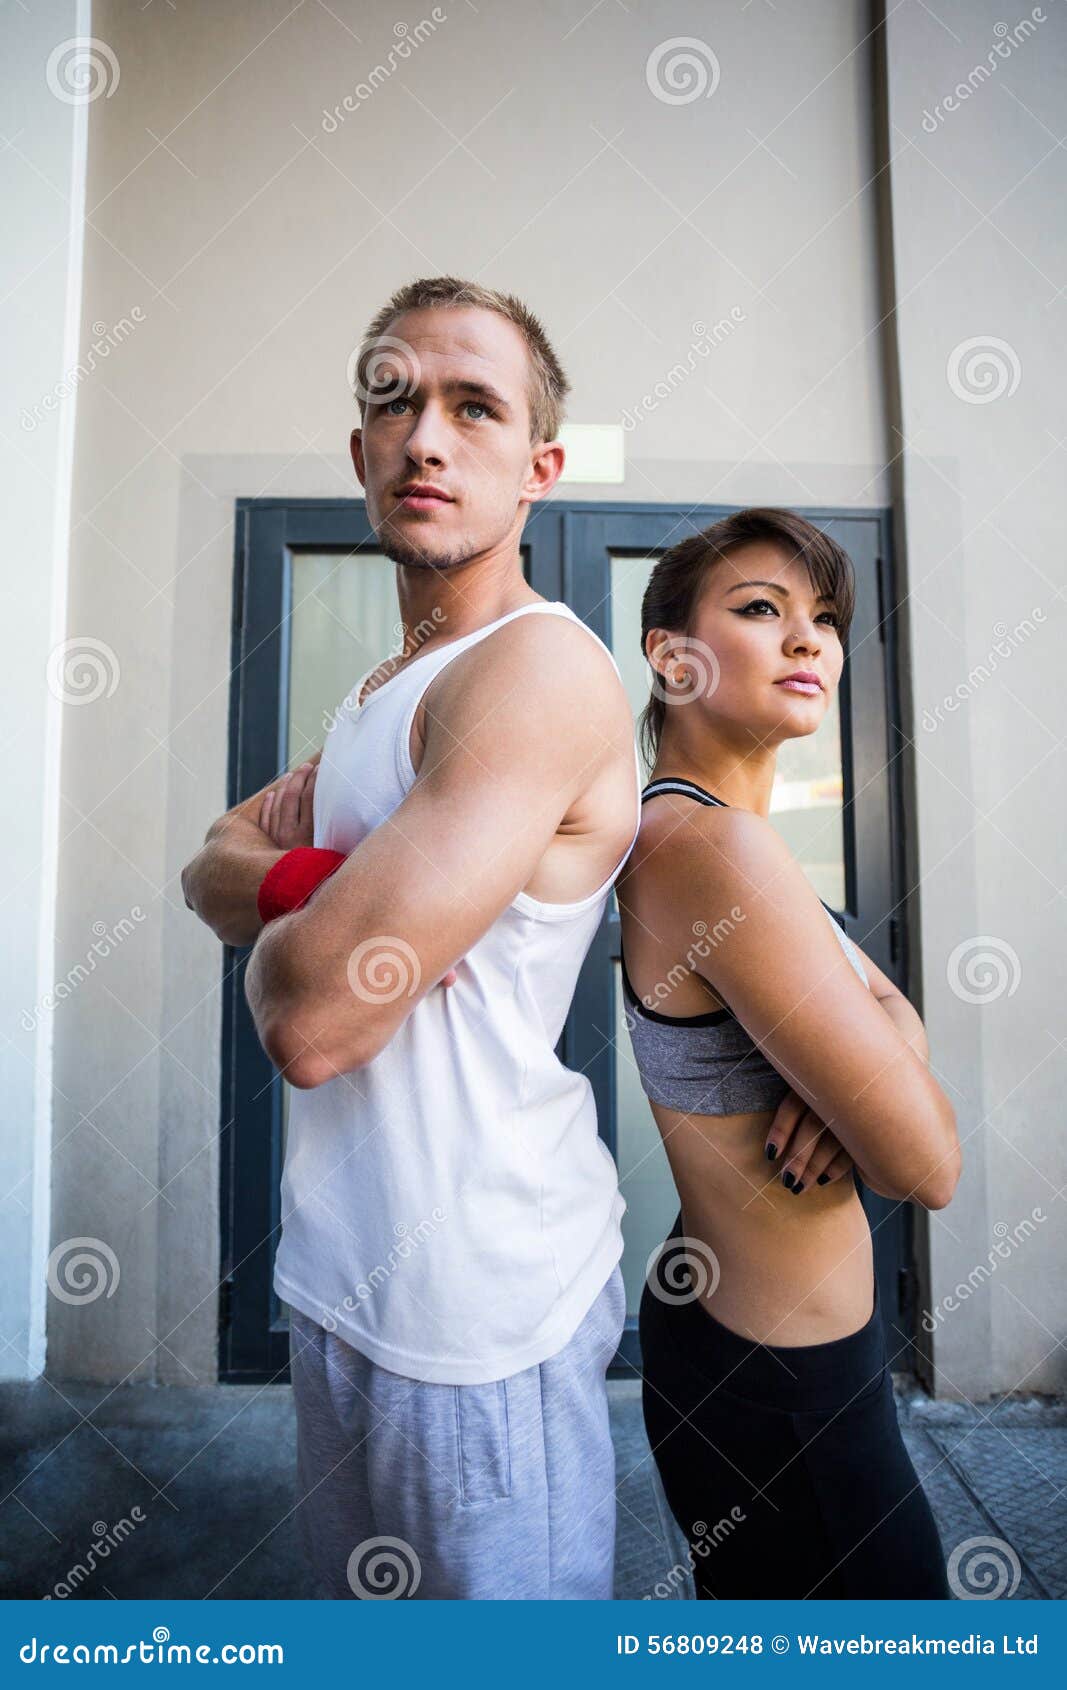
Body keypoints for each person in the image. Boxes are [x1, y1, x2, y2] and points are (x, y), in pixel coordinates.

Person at [182, 277, 641, 1599]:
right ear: (359, 453)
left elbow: (315, 1021)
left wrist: (294, 903)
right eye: (394, 403)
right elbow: (207, 863)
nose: (424, 437)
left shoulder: (536, 673)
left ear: (536, 467)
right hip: (340, 1278)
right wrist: (321, 886)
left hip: (476, 1312)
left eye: (471, 407)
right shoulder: (389, 690)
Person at [616, 507, 959, 1600]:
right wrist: (866, 1077)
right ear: (670, 655)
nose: (808, 638)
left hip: (741, 1342)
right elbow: (925, 1166)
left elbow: (887, 1007)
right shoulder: (716, 850)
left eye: (823, 617)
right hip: (785, 1385)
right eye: (760, 610)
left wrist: (858, 1059)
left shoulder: (714, 831)